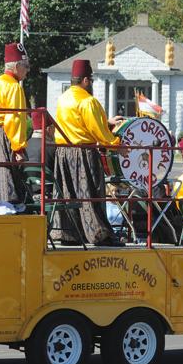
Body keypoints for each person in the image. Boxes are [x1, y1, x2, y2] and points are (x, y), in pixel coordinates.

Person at [51, 59, 124, 246]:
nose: (91, 83)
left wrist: (106, 122)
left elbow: (78, 123)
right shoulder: (88, 100)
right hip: (84, 153)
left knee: (68, 194)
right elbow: (98, 132)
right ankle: (100, 235)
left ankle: (69, 234)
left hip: (64, 153)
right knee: (91, 194)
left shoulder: (63, 98)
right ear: (85, 80)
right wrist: (117, 145)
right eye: (90, 80)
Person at [0, 42, 30, 206]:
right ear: (16, 66)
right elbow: (14, 119)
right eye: (25, 66)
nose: (27, 70)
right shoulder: (14, 87)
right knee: (8, 178)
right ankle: (10, 210)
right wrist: (18, 148)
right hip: (5, 135)